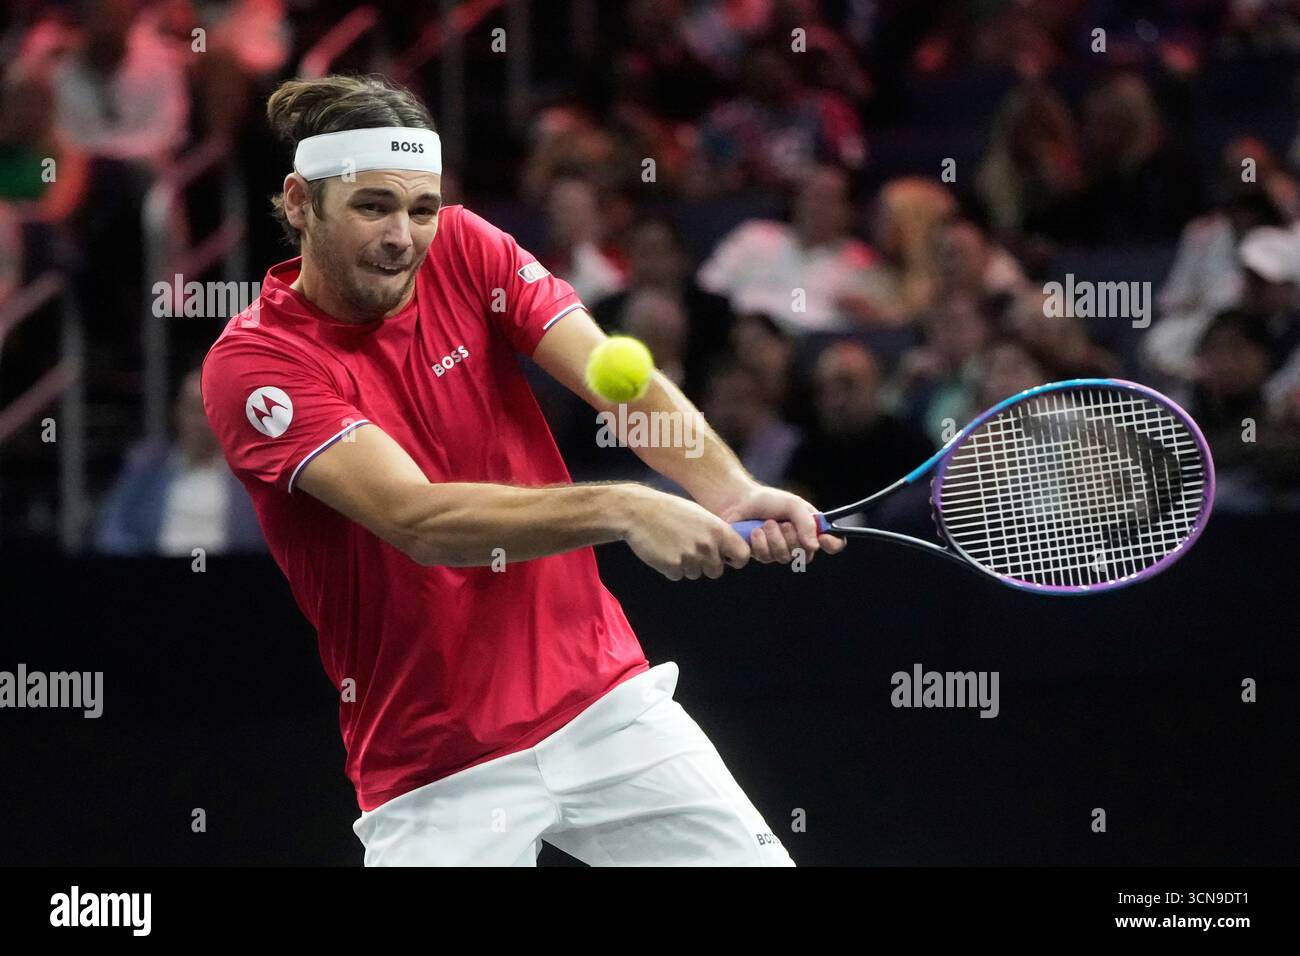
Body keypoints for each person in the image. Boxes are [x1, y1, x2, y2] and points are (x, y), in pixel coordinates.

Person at [200, 74, 845, 867]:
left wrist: (729, 487)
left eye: (422, 208)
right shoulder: (255, 366)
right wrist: (630, 508)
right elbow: (421, 522)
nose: (403, 235)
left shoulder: (467, 246)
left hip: (602, 703)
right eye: (373, 206)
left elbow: (616, 375)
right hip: (436, 764)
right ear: (301, 203)